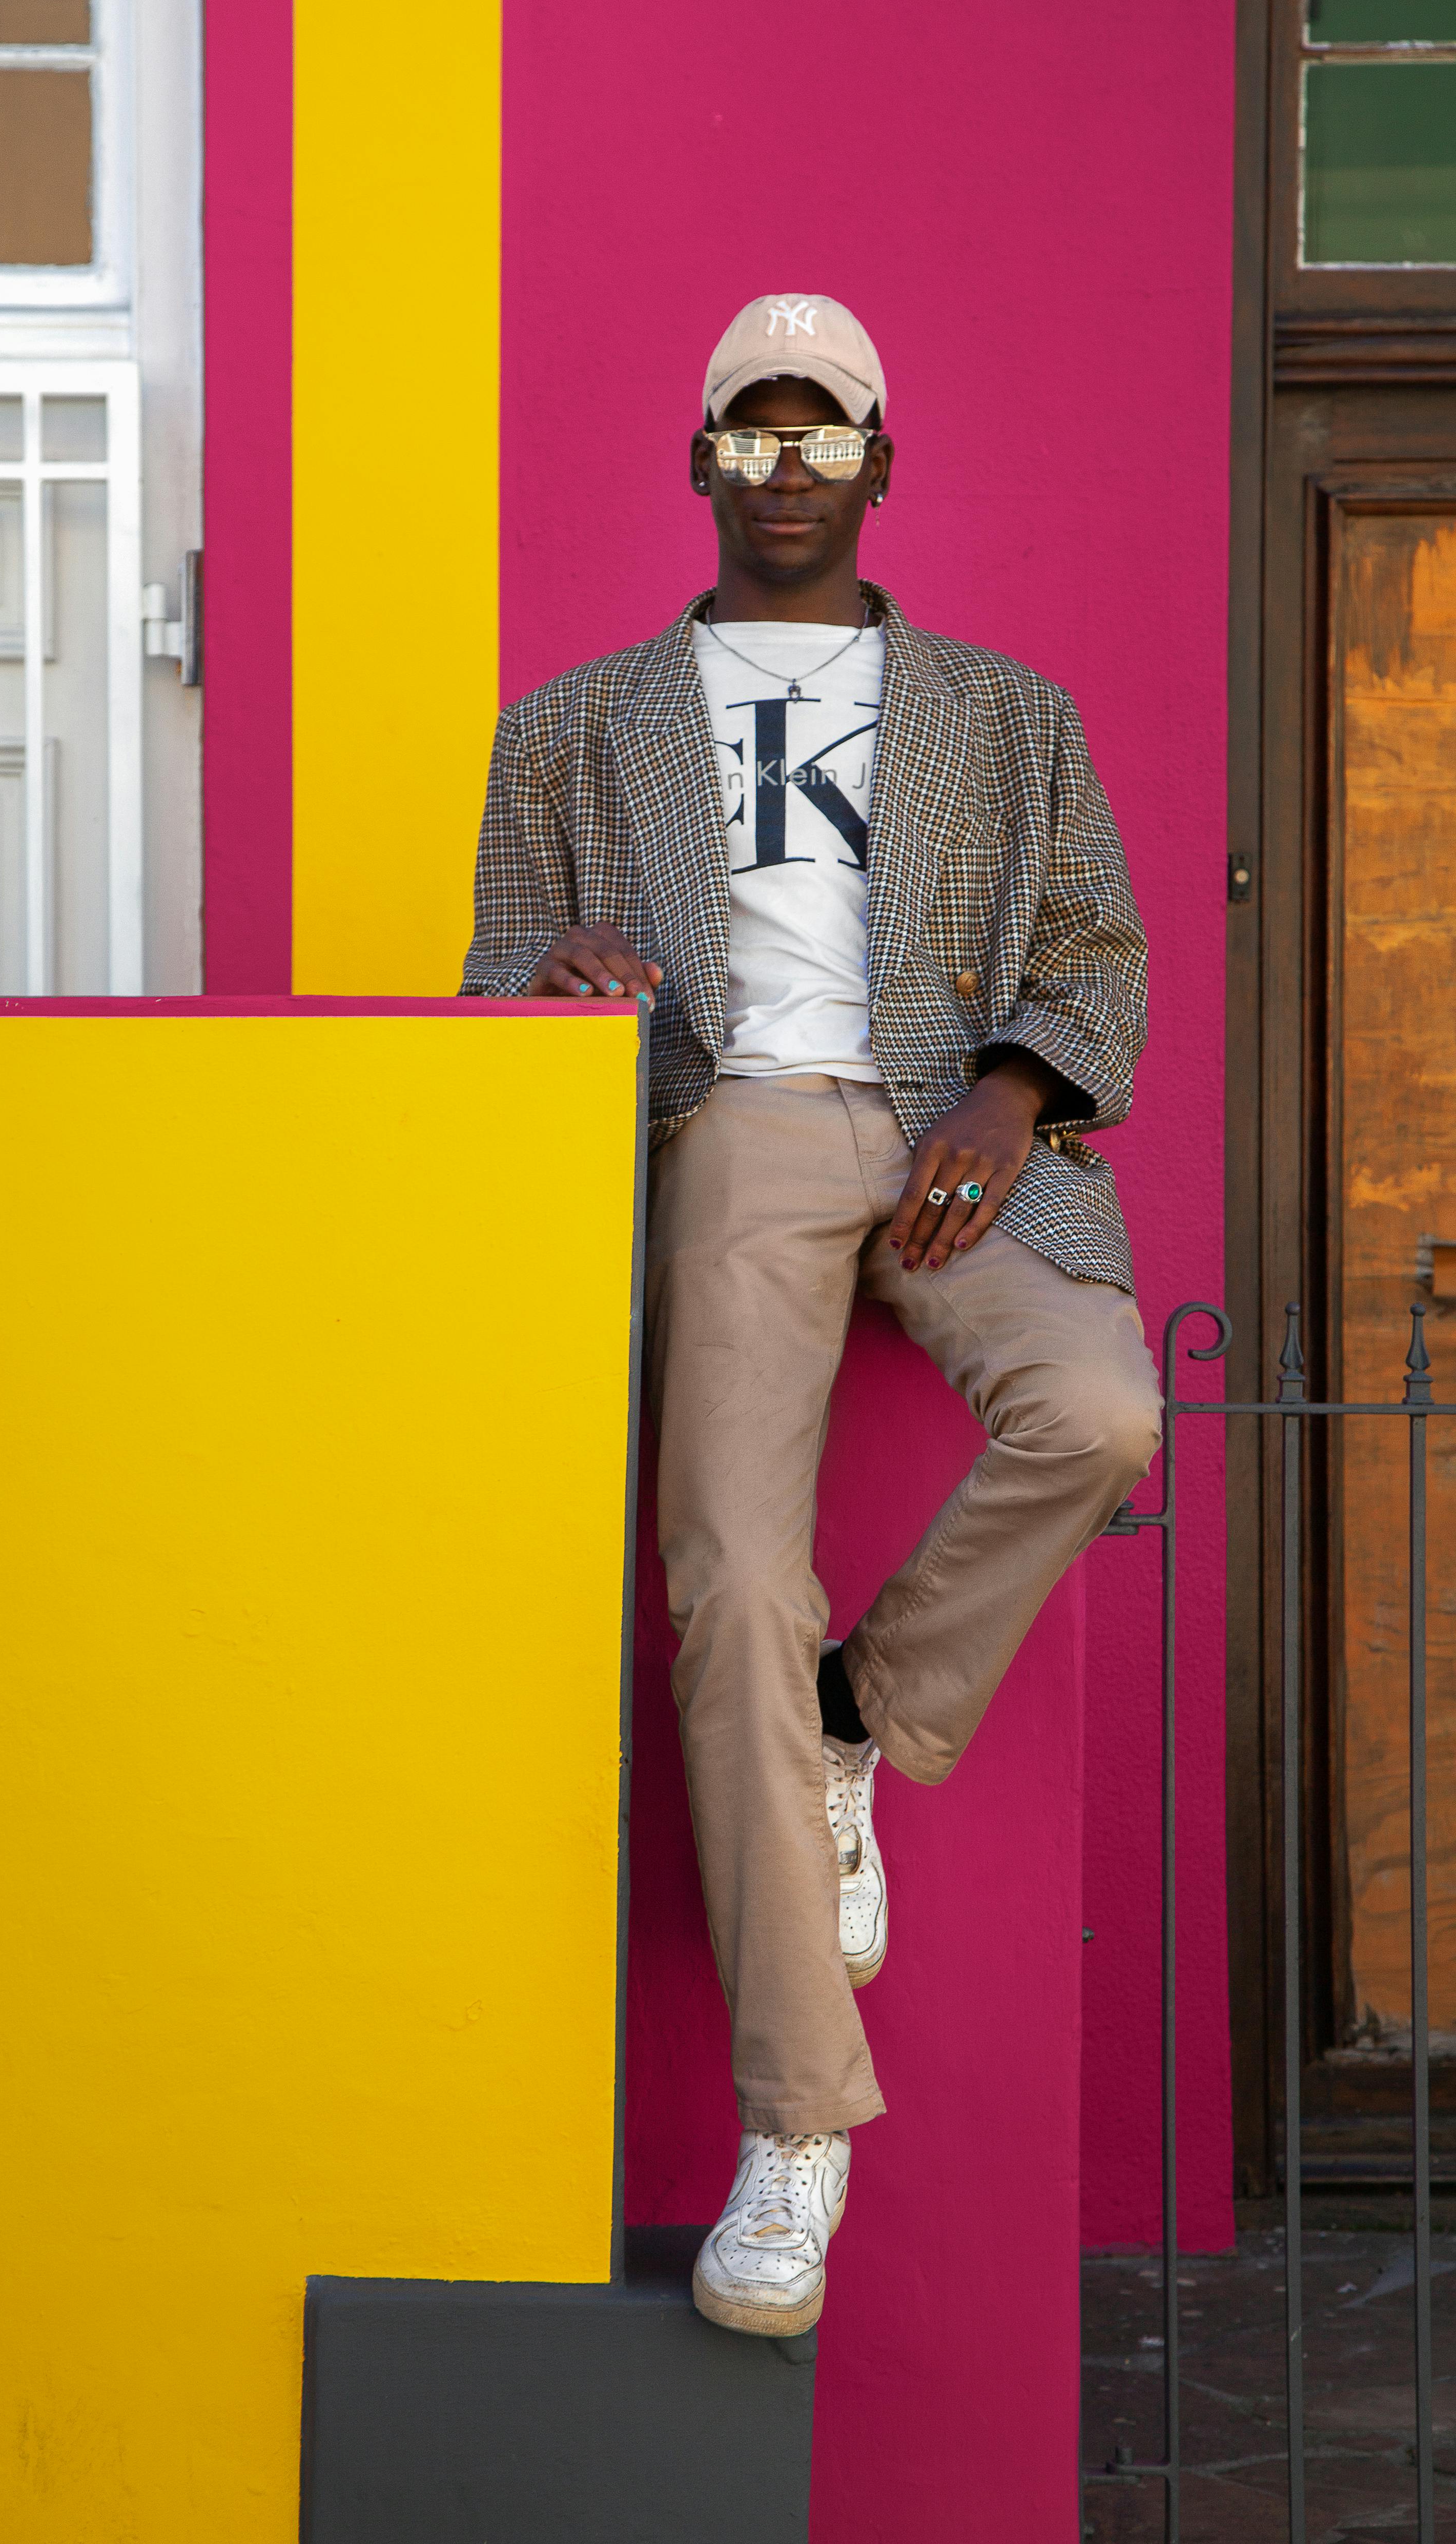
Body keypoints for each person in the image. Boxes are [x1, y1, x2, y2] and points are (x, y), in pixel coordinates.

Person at [460, 293, 1161, 2337]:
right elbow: (493, 988)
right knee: (723, 1591)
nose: (782, 473)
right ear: (696, 467)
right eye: (744, 440)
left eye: (818, 437)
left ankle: (863, 1723)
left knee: (1101, 1412)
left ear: (877, 462)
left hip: (952, 1118)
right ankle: (793, 2131)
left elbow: (1093, 948)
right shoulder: (573, 726)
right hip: (731, 1123)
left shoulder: (1005, 714)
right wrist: (563, 959)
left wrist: (1006, 1097)